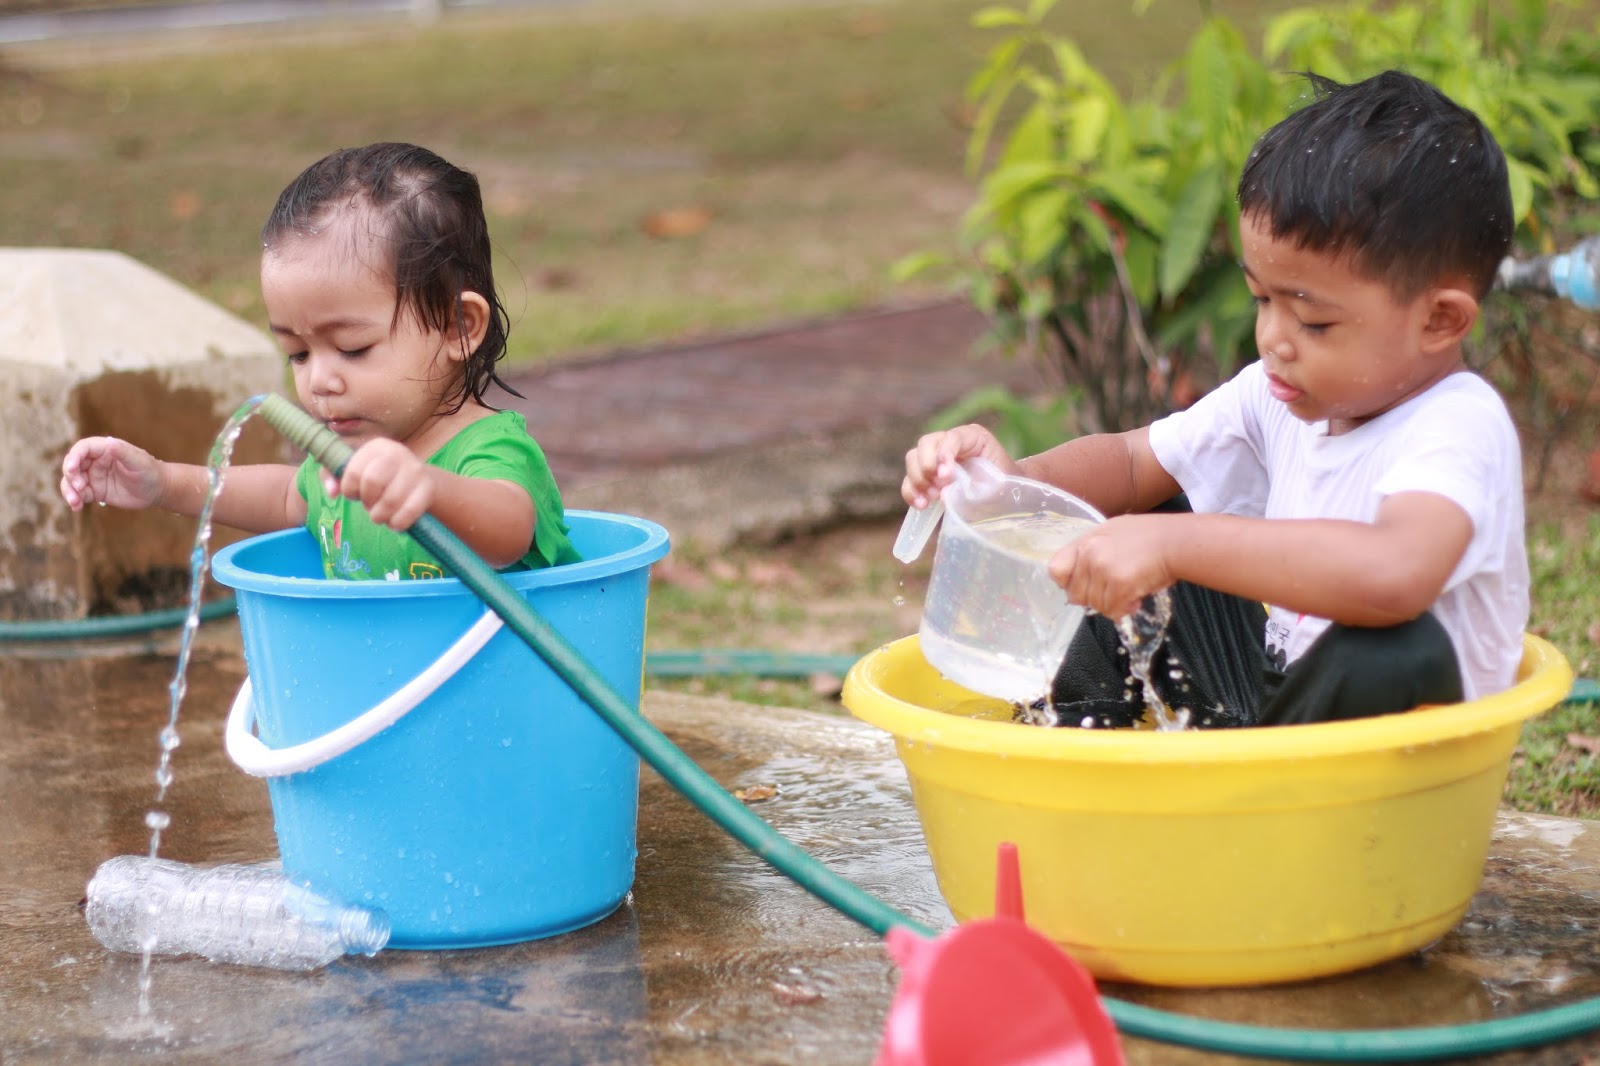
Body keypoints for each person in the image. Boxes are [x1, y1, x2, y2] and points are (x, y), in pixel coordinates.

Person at [902, 70, 1528, 728]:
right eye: (1263, 299)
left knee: (1393, 647)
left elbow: (1395, 574)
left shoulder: (1458, 426)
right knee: (1134, 518)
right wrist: (1016, 485)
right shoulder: (1279, 393)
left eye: (1314, 322)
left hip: (1387, 760)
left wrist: (1173, 545)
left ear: (1439, 321)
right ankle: (1077, 750)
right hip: (1278, 705)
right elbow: (1133, 462)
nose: (1273, 339)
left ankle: (1267, 810)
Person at [60, 142, 581, 580]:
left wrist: (429, 489)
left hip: (507, 696)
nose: (320, 381)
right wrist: (162, 483)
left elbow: (508, 530)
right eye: (298, 353)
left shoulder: (490, 450)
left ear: (457, 328)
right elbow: (289, 494)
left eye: (353, 349)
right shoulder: (346, 457)